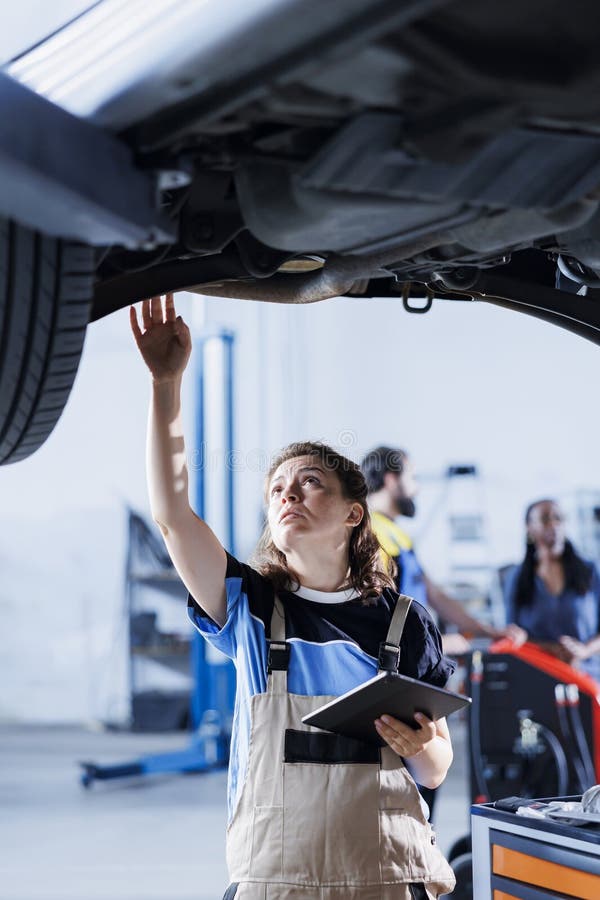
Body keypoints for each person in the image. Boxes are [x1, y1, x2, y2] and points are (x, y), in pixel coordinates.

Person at [131, 294, 456, 899]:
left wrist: (420, 748)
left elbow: (437, 766)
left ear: (354, 513)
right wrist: (165, 385)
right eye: (277, 489)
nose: (288, 494)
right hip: (273, 882)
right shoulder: (251, 608)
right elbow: (172, 516)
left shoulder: (404, 624)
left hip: (386, 880)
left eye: (310, 482)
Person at [360, 446, 527, 654]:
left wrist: (487, 632)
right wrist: (436, 643)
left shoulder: (397, 536)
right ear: (392, 480)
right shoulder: (370, 535)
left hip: (407, 658)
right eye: (412, 478)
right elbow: (373, 617)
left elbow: (435, 595)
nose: (417, 488)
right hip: (392, 662)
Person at [503, 498, 600, 681]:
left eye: (558, 518)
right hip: (540, 677)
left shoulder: (590, 571)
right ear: (529, 528)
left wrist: (583, 651)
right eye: (545, 519)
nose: (554, 525)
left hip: (588, 677)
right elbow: (511, 636)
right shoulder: (517, 578)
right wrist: (550, 650)